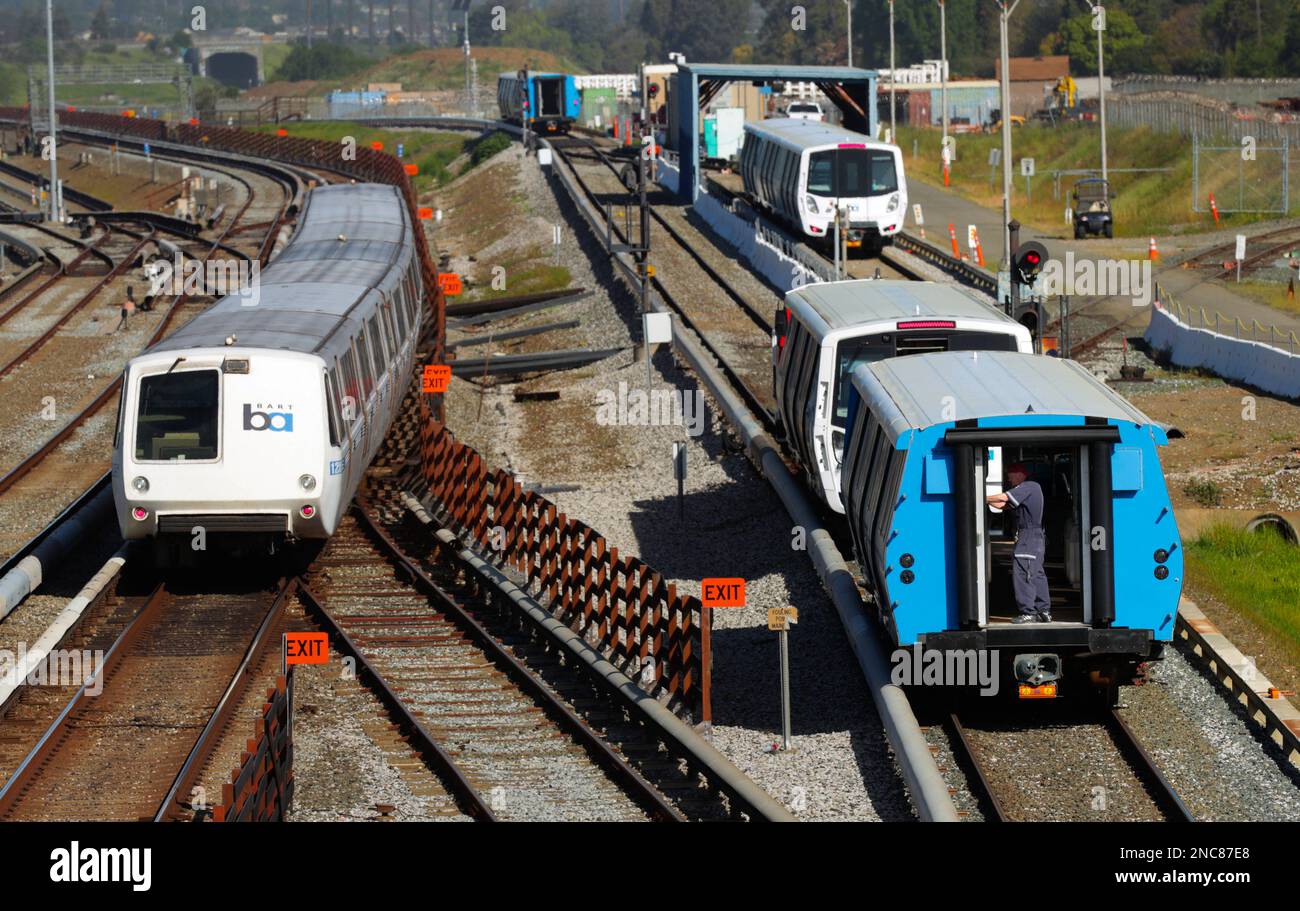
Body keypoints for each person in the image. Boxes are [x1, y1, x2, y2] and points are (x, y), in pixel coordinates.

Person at [985, 462, 1052, 623]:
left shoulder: (1029, 486)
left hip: (1029, 535)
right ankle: (1043, 611)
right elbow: (1003, 505)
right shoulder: (1028, 491)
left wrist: (979, 496)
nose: (1008, 477)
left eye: (1011, 473)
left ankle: (1028, 612)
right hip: (1034, 536)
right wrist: (985, 501)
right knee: (1036, 573)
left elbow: (1003, 497)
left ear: (1020, 474)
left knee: (1023, 572)